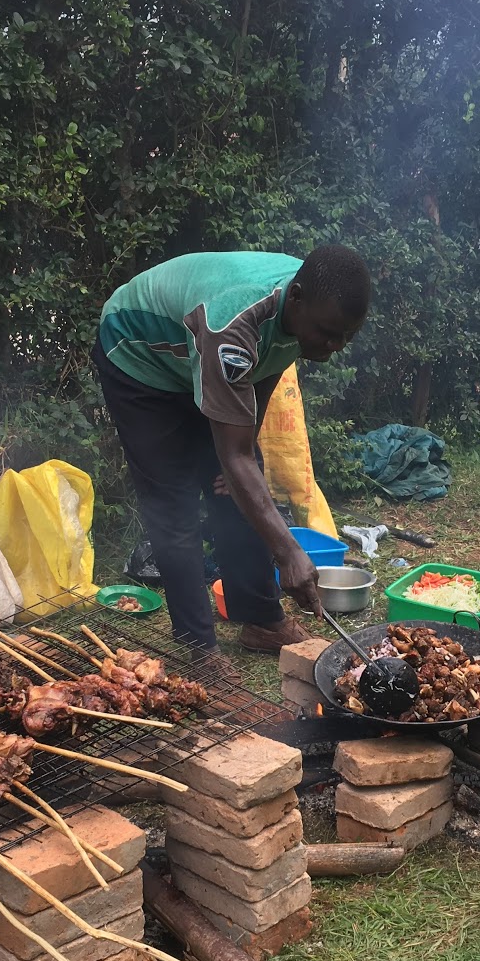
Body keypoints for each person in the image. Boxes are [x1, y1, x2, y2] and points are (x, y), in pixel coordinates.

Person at [93, 246, 370, 657]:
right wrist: (288, 552)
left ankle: (262, 622)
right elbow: (235, 446)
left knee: (237, 483)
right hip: (139, 354)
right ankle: (198, 647)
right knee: (174, 503)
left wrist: (240, 464)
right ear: (295, 298)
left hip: (196, 354)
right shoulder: (234, 325)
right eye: (328, 333)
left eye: (346, 337)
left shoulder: (310, 306)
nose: (334, 346)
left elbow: (264, 370)